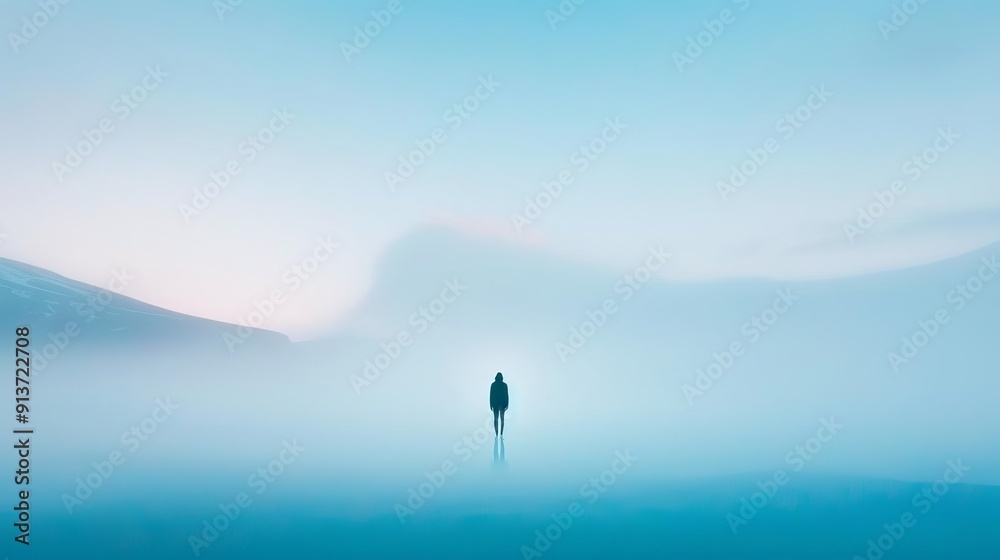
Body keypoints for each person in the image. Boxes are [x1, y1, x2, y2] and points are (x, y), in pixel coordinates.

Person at [490, 372, 509, 436]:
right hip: (502, 404)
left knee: (496, 419)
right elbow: (506, 395)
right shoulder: (504, 385)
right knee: (502, 419)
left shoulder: (493, 385)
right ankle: (501, 433)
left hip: (495, 404)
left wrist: (491, 405)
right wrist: (507, 404)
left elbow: (491, 395)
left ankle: (497, 433)